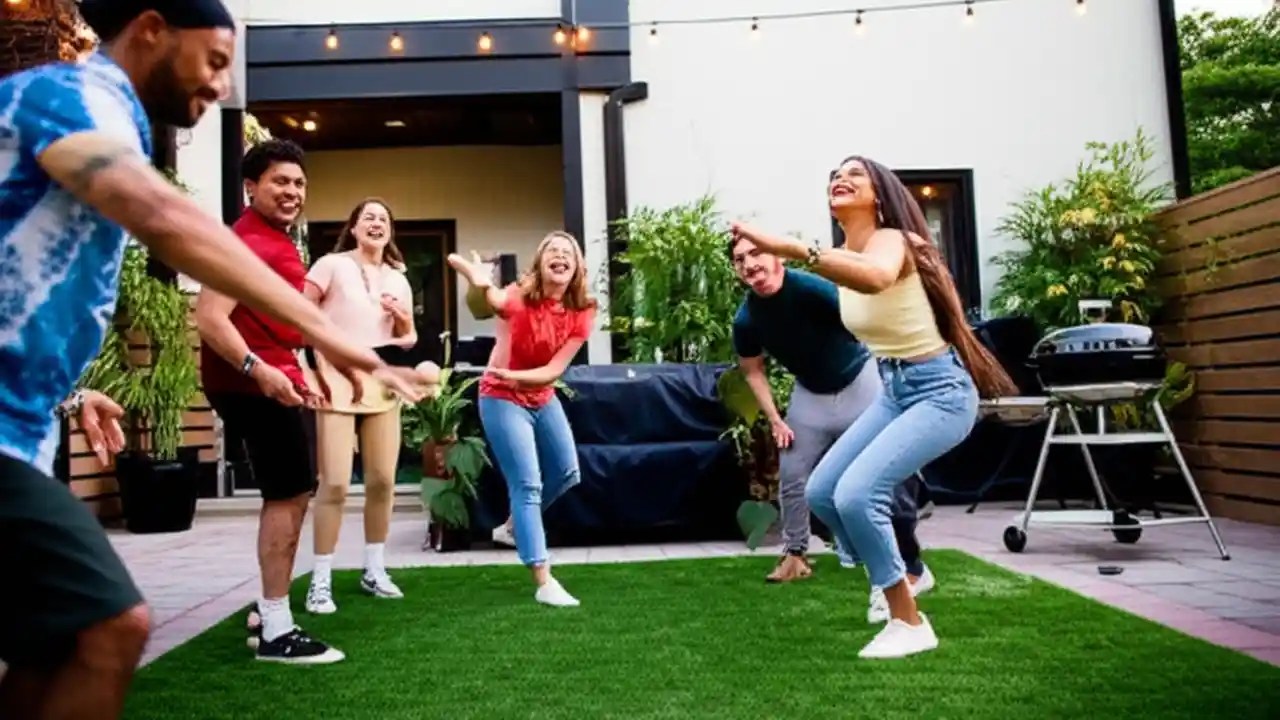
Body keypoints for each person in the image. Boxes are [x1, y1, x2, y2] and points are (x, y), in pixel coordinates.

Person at [0, 0, 423, 714]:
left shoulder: (117, 122)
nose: (223, 87)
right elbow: (164, 221)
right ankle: (277, 617)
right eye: (215, 61)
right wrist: (336, 341)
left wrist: (72, 395)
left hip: (26, 423)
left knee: (62, 640)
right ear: (153, 29)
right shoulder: (70, 96)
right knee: (104, 626)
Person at [731, 155, 1016, 659]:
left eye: (854, 173)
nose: (840, 178)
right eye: (833, 176)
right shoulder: (845, 255)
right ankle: (908, 571)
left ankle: (908, 618)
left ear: (879, 193)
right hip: (894, 388)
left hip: (939, 390)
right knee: (822, 491)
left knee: (860, 495)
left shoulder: (892, 241)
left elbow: (880, 277)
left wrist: (793, 249)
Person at [729, 236, 935, 619]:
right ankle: (795, 555)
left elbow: (863, 318)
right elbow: (753, 370)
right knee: (792, 471)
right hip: (811, 396)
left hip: (860, 381)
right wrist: (775, 419)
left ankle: (908, 563)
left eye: (756, 252)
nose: (750, 264)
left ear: (778, 256)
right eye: (740, 259)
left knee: (886, 471)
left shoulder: (809, 288)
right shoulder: (747, 318)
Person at [447, 232, 595, 607]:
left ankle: (513, 526)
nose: (560, 257)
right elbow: (492, 299)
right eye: (552, 252)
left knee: (566, 471)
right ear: (540, 263)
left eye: (568, 253)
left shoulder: (583, 311)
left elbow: (553, 370)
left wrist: (516, 377)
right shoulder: (518, 298)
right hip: (500, 398)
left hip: (538, 393)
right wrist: (476, 277)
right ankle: (543, 579)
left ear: (576, 267)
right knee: (527, 484)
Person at [302, 198, 423, 614]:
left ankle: (374, 568)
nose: (376, 224)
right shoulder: (329, 265)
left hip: (381, 374)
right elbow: (301, 314)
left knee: (382, 480)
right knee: (334, 482)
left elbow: (407, 339)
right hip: (334, 372)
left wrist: (402, 317)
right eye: (368, 218)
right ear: (353, 227)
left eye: (383, 219)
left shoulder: (398, 277)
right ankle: (320, 580)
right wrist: (311, 371)